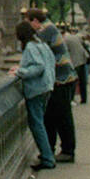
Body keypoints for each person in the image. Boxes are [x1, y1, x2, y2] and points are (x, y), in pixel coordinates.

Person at [25, 8, 78, 163]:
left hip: (61, 79)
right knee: (52, 116)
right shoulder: (48, 27)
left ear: (35, 21)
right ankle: (51, 149)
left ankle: (67, 151)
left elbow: (34, 50)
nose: (28, 26)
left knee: (62, 116)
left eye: (28, 22)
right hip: (60, 78)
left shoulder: (45, 30)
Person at [11, 20, 56, 170]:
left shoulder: (30, 46)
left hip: (36, 90)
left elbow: (39, 66)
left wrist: (20, 71)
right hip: (46, 87)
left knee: (37, 124)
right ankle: (47, 154)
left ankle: (47, 158)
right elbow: (49, 64)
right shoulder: (42, 44)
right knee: (40, 123)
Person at [64, 27, 89, 104]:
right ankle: (84, 99)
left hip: (74, 62)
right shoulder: (76, 37)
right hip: (82, 59)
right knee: (82, 81)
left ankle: (71, 98)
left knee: (73, 81)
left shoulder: (65, 39)